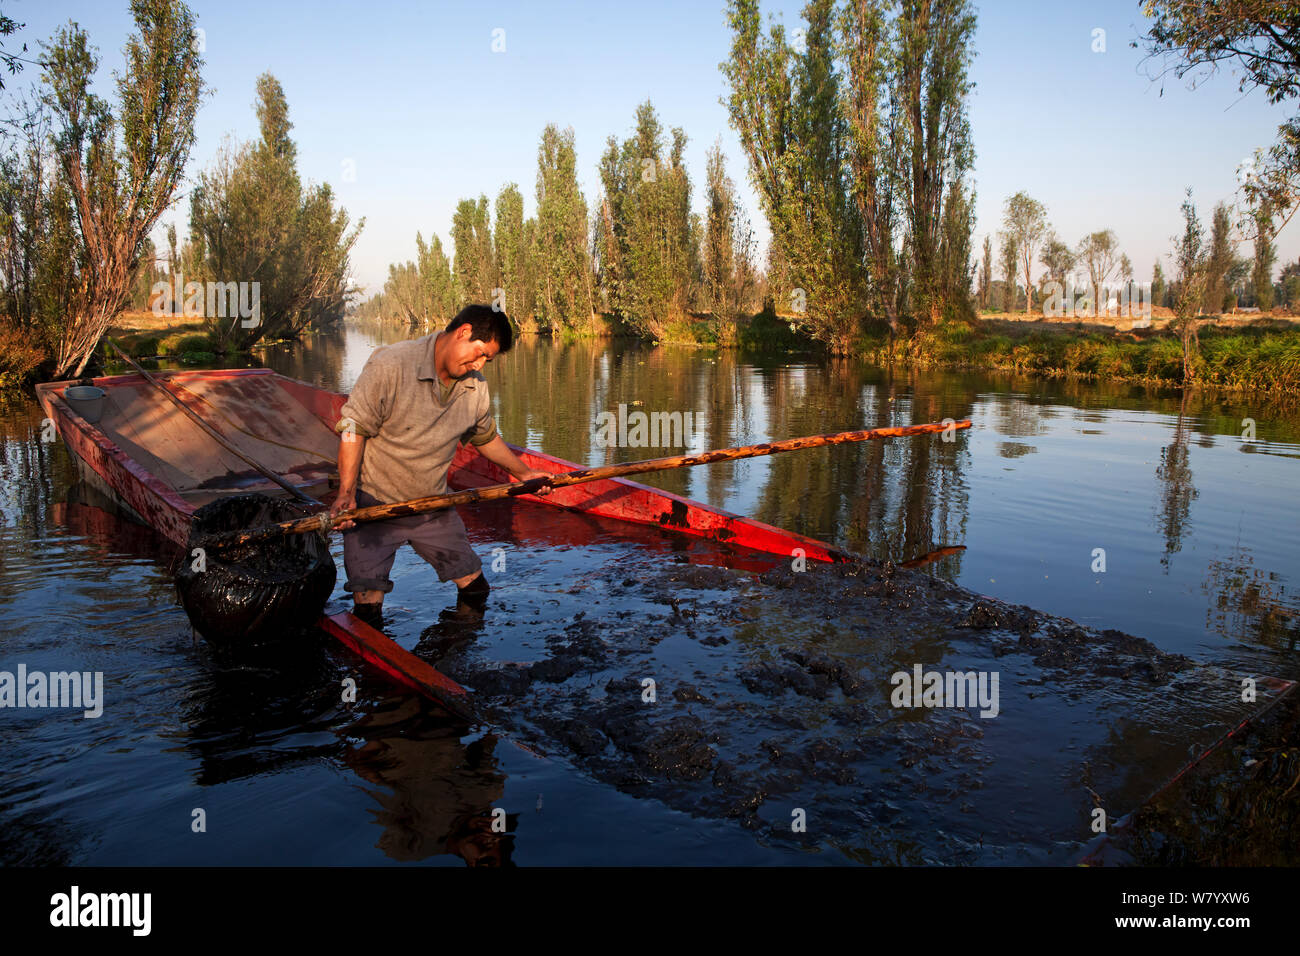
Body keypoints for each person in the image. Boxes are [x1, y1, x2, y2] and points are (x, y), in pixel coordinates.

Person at [328, 305, 552, 626]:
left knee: (475, 589)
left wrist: (525, 474)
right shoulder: (391, 364)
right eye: (478, 354)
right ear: (463, 332)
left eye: (486, 360)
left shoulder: (475, 388)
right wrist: (346, 494)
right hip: (373, 507)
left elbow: (485, 438)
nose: (479, 365)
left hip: (432, 504)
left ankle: (449, 655)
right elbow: (353, 428)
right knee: (368, 613)